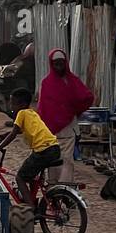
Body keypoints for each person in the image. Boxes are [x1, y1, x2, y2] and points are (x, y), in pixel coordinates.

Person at [0, 87, 61, 207]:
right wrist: (4, 135)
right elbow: (19, 130)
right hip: (53, 148)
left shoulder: (21, 113)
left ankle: (30, 208)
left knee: (20, 178)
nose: (10, 106)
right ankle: (32, 199)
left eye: (12, 103)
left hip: (43, 151)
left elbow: (13, 134)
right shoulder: (32, 113)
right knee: (31, 175)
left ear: (22, 104)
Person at [37, 48, 94, 186]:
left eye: (61, 63)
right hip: (51, 130)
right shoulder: (46, 83)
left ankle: (66, 188)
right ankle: (53, 186)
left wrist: (74, 110)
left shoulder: (72, 81)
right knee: (53, 160)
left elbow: (87, 97)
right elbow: (43, 107)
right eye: (56, 63)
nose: (59, 66)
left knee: (67, 160)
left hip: (69, 128)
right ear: (51, 64)